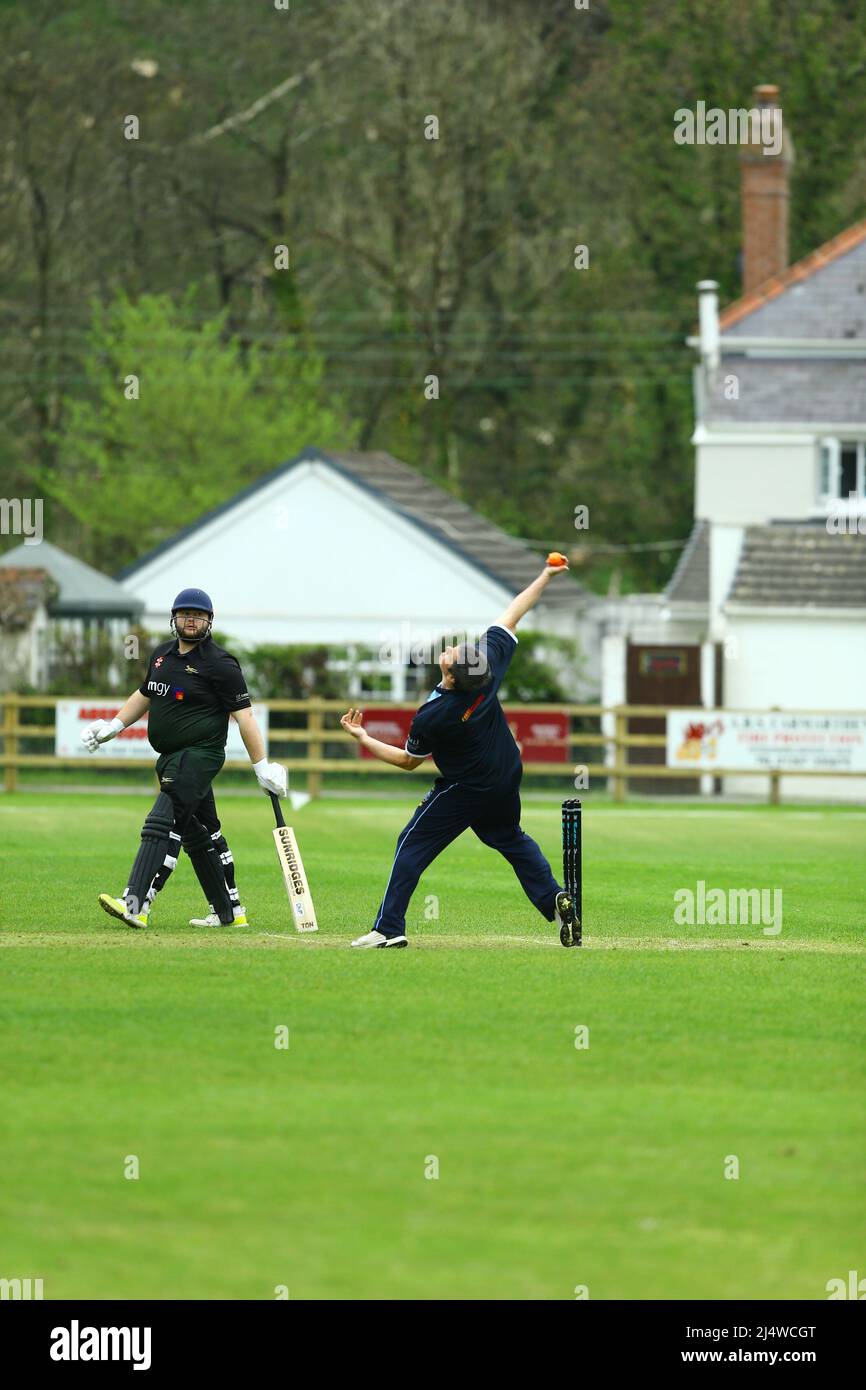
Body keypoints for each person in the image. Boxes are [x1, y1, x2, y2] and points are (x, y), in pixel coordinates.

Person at [340, 561, 579, 948]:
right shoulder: (487, 666)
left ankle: (388, 928)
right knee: (509, 837)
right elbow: (516, 612)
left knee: (411, 843)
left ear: (451, 676)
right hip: (504, 775)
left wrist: (362, 737)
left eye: (454, 652)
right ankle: (554, 898)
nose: (454, 648)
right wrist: (546, 577)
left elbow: (407, 761)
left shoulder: (435, 715)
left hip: (467, 786)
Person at [82, 587, 287, 929]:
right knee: (201, 832)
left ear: (209, 621)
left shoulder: (221, 665)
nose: (191, 620)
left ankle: (135, 903)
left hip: (201, 756)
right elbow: (146, 693)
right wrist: (115, 725)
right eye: (185, 614)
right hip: (171, 757)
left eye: (199, 615)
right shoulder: (162, 656)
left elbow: (245, 717)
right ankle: (228, 912)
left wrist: (261, 766)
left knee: (162, 822)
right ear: (174, 619)